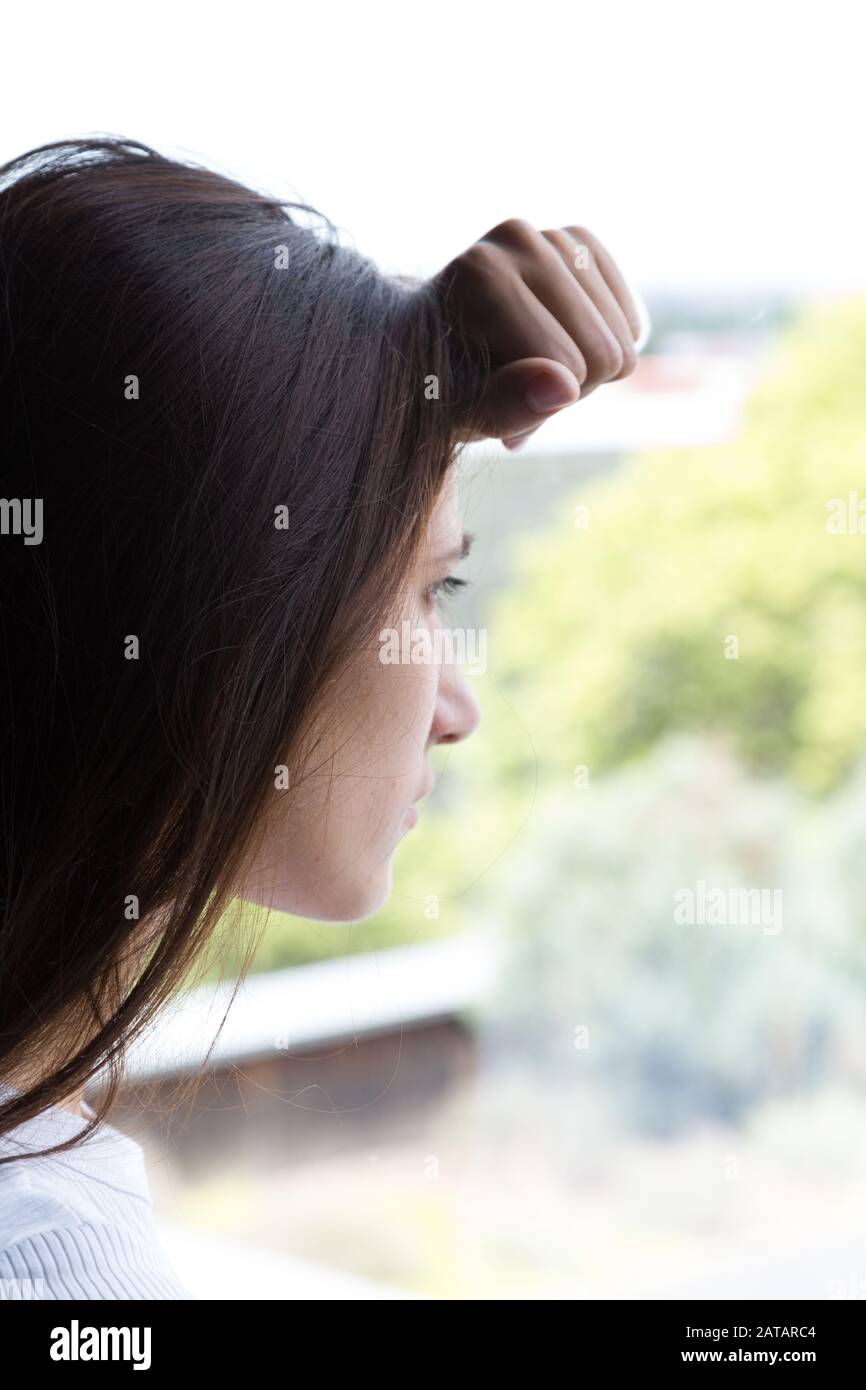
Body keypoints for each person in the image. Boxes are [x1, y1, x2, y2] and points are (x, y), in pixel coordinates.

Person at [0, 136, 640, 1298]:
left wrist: (377, 394)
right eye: (428, 590)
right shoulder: (51, 1251)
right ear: (216, 632)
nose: (458, 707)